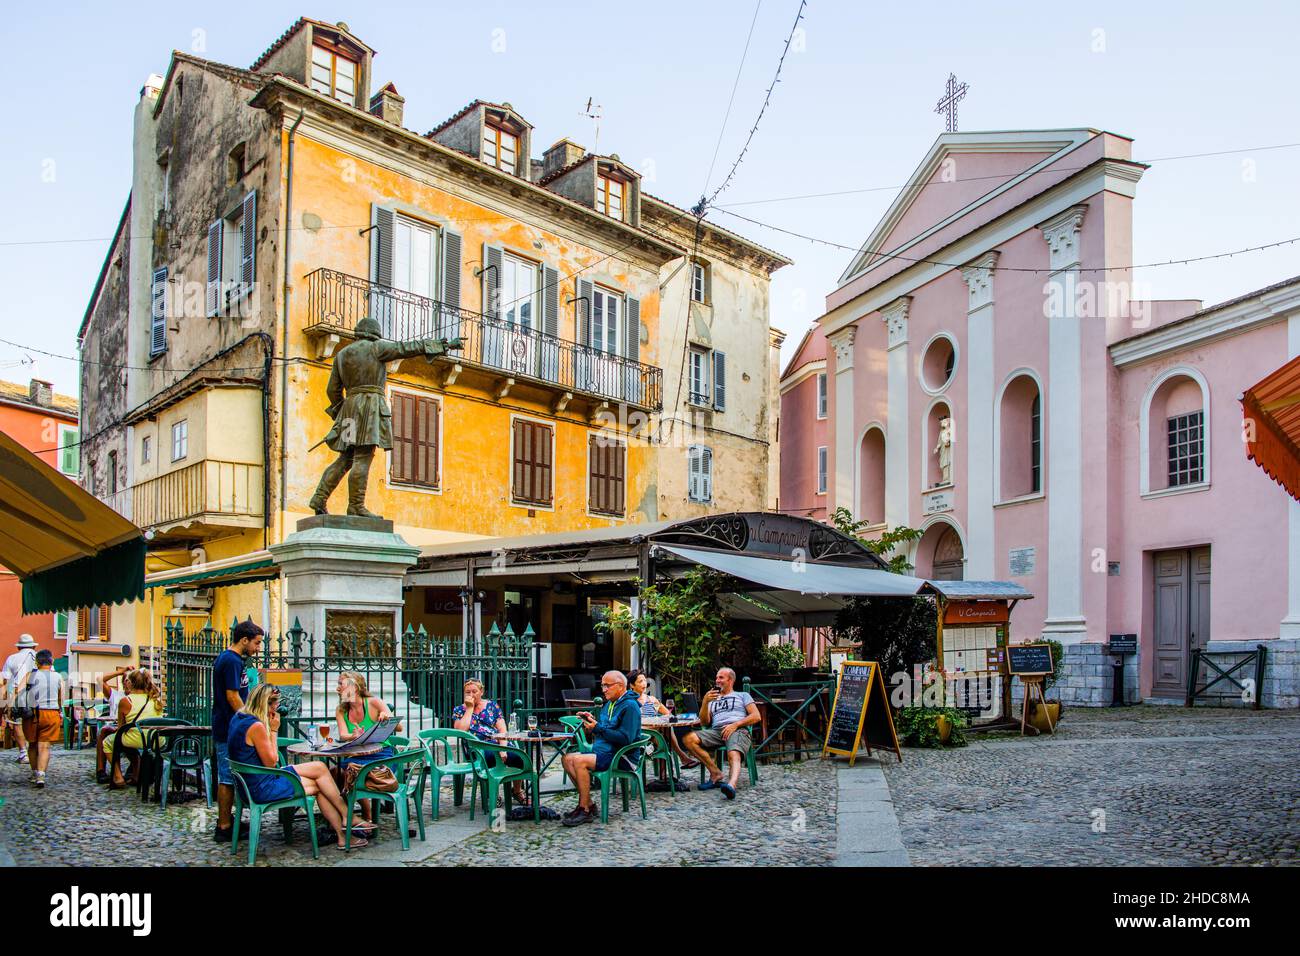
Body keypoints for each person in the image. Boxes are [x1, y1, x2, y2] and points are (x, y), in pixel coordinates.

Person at [228, 685, 364, 850]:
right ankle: (345, 828)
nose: (277, 708)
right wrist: (273, 730)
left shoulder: (239, 717)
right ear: (266, 704)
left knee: (320, 768)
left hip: (250, 782)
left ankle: (346, 819)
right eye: (275, 704)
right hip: (262, 787)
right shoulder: (256, 726)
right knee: (320, 785)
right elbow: (271, 762)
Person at [559, 671, 641, 827]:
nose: (603, 689)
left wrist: (598, 729)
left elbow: (625, 739)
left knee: (579, 761)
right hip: (606, 751)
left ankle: (584, 810)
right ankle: (588, 803)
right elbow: (605, 727)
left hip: (622, 756)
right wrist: (591, 722)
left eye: (607, 685)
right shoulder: (610, 704)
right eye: (602, 685)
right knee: (566, 759)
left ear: (621, 686)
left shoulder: (630, 706)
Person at [213, 620, 264, 843]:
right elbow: (232, 695)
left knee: (230, 776)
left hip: (229, 724)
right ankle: (223, 826)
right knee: (226, 776)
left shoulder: (232, 659)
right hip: (228, 726)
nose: (257, 648)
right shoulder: (232, 660)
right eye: (256, 643)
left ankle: (228, 820)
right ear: (244, 640)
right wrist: (248, 718)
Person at [683, 667, 761, 800]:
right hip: (716, 731)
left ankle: (731, 785)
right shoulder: (712, 699)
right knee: (688, 739)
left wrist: (735, 725)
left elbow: (756, 716)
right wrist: (705, 703)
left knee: (733, 753)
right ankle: (715, 773)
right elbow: (704, 722)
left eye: (721, 678)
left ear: (730, 680)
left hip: (737, 729)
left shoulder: (742, 695)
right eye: (717, 678)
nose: (717, 681)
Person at [335, 672, 398, 825]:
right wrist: (353, 736)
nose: (337, 689)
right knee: (335, 773)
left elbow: (399, 726)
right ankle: (357, 811)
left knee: (351, 771)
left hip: (382, 754)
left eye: (341, 685)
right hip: (358, 755)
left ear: (355, 688)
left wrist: (384, 716)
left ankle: (364, 815)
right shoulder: (341, 710)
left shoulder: (374, 702)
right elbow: (343, 735)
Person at [450, 678, 526, 804]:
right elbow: (461, 731)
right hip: (476, 748)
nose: (471, 695)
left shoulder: (492, 706)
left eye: (474, 691)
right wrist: (469, 709)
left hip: (497, 742)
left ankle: (516, 791)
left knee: (519, 756)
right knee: (490, 757)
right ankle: (492, 794)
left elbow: (502, 729)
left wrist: (503, 749)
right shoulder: (459, 710)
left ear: (481, 692)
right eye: (467, 692)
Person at [101, 669, 163, 789]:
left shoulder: (126, 701)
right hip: (156, 740)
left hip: (135, 738)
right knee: (129, 741)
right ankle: (136, 775)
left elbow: (121, 728)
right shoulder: (155, 699)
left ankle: (118, 777)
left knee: (108, 743)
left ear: (131, 683)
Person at [16, 649, 64, 788]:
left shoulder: (30, 675)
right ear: (51, 661)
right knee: (44, 746)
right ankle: (41, 776)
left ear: (37, 662)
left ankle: (34, 772)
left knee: (32, 744)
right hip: (51, 714)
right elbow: (62, 698)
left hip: (31, 715)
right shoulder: (58, 677)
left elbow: (18, 692)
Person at [0, 635, 38, 763]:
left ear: (18, 647)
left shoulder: (12, 658)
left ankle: (23, 753)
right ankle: (35, 750)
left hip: (18, 693)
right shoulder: (41, 657)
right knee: (35, 721)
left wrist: (5, 701)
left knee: (17, 722)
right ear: (34, 646)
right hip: (38, 694)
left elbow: (4, 681)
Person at [95, 665, 132, 783]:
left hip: (129, 730)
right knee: (104, 731)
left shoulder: (138, 697)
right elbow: (100, 680)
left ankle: (131, 770)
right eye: (125, 680)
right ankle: (101, 770)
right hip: (114, 728)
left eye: (130, 680)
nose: (127, 683)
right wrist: (120, 672)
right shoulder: (115, 695)